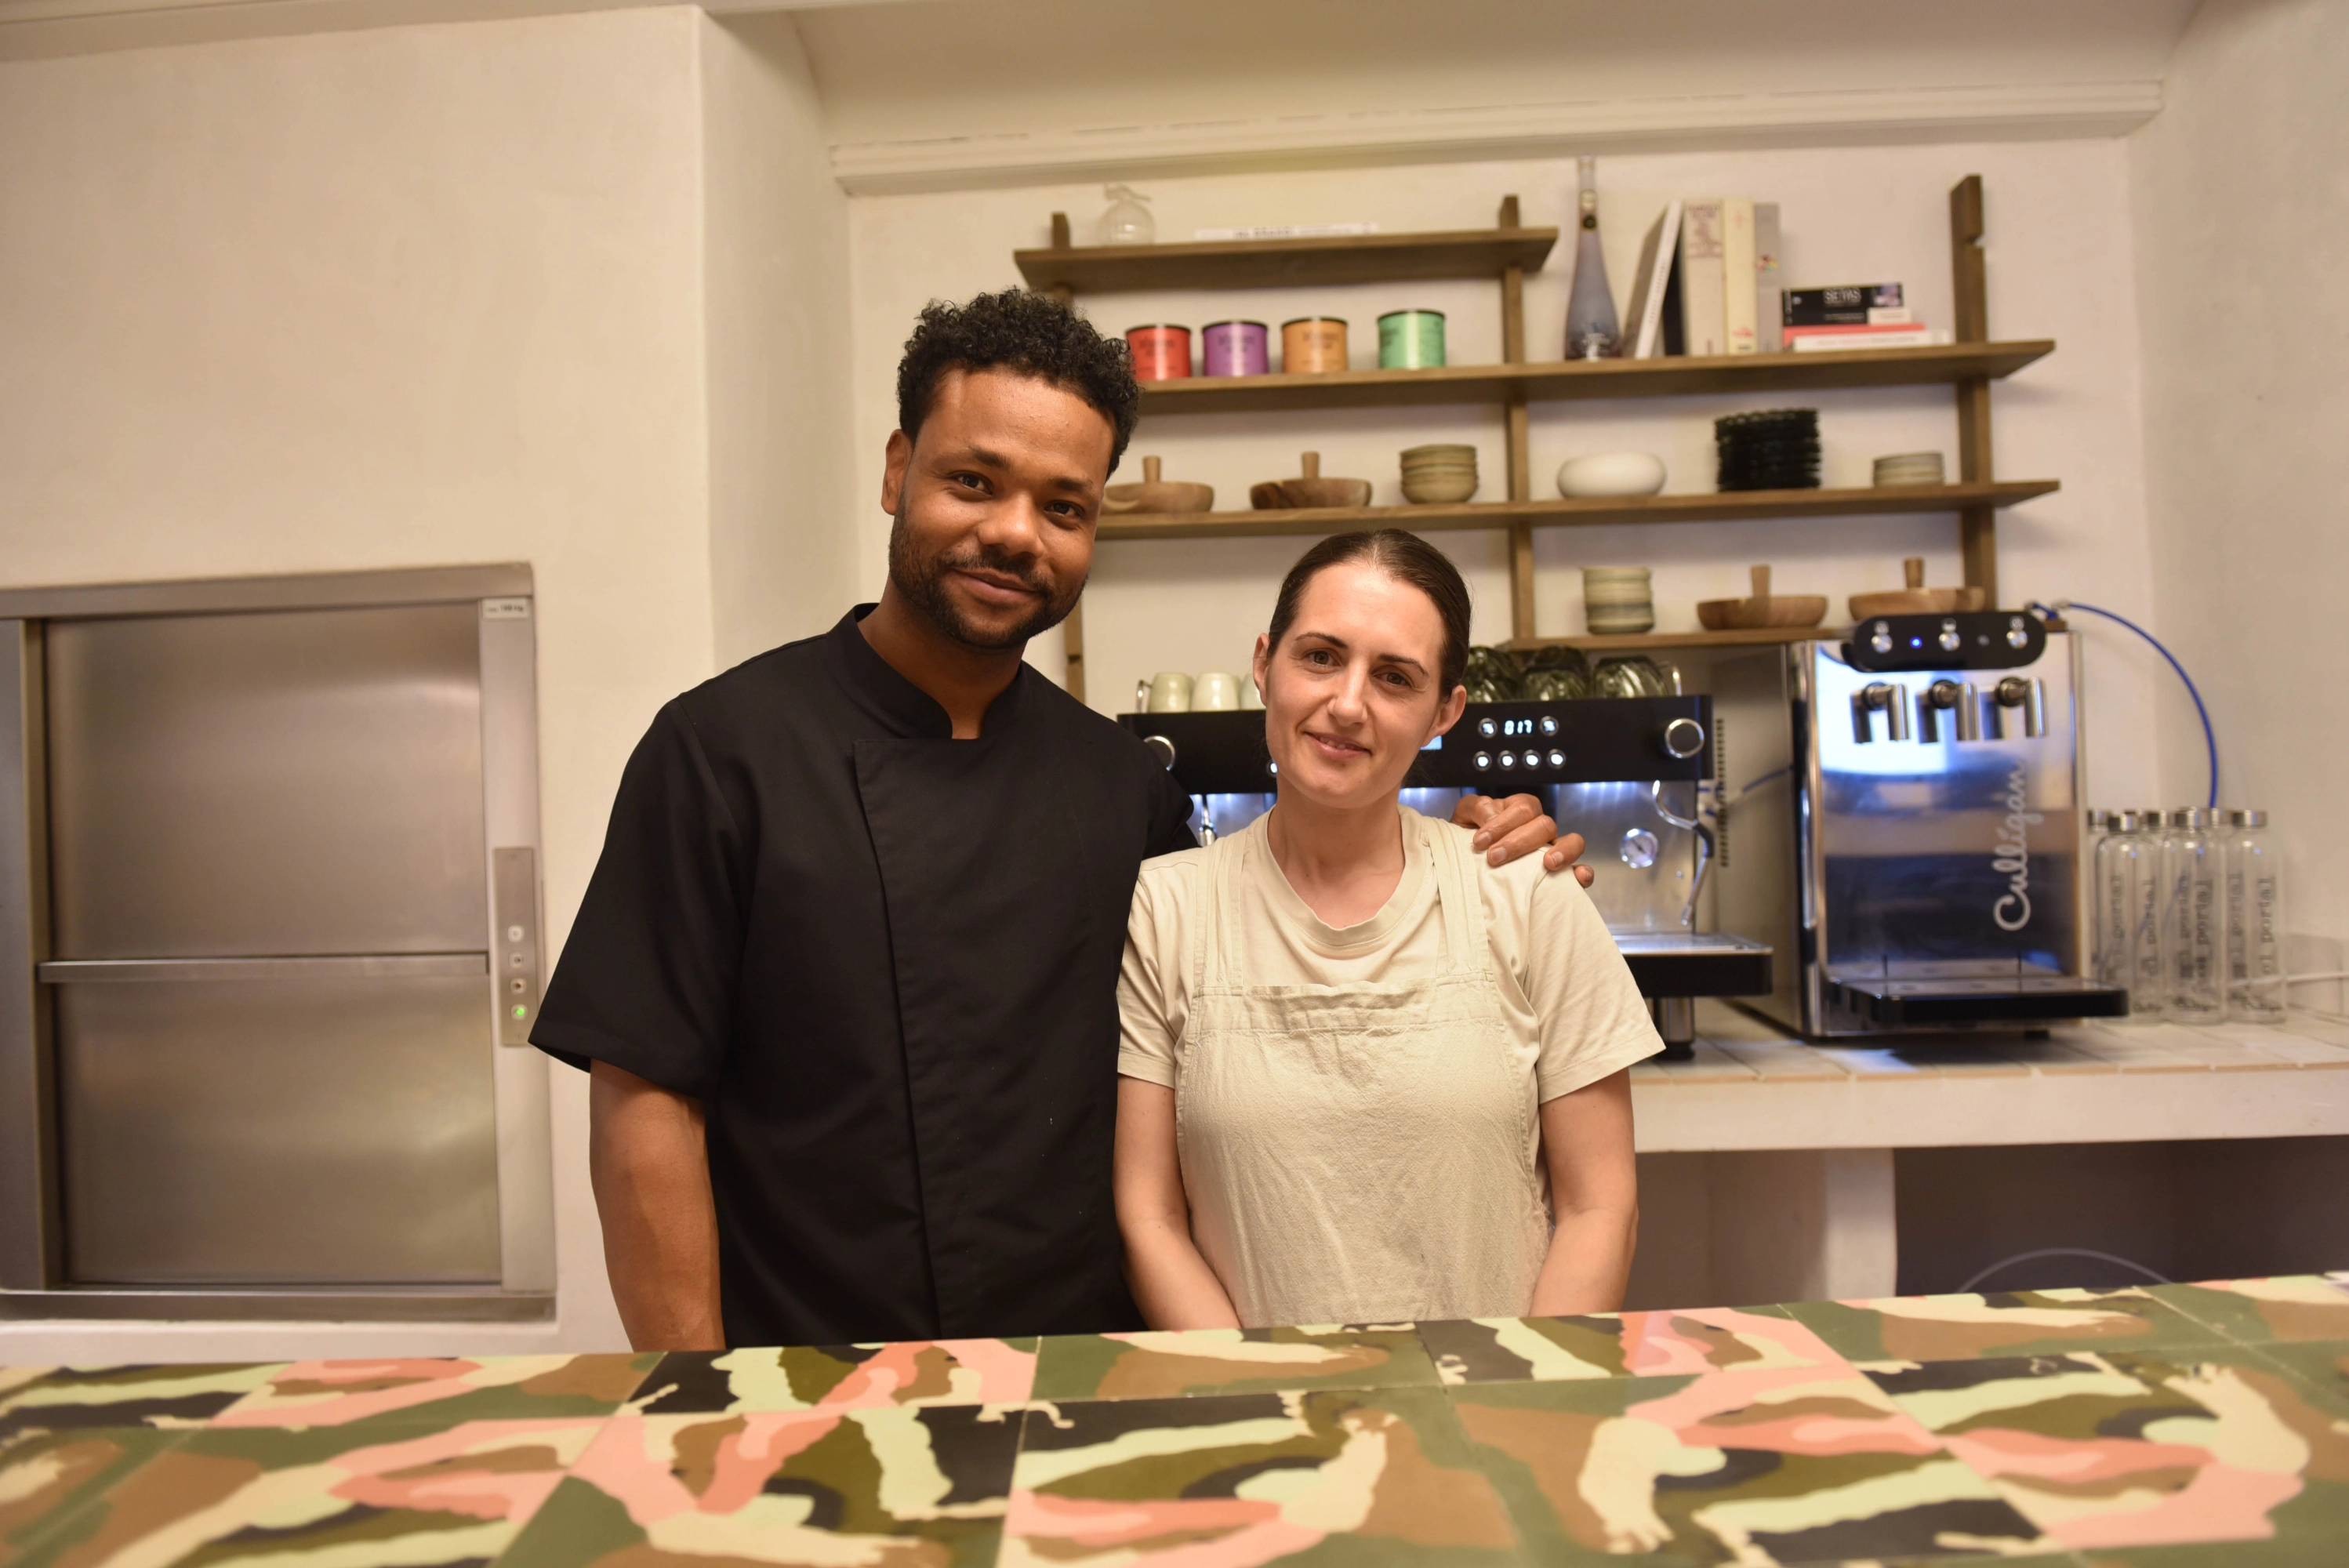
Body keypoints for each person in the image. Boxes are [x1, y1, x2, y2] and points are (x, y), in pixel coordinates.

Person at [533, 291, 1585, 1350]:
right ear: (898, 470)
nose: (1012, 534)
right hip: (808, 1374)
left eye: (1064, 506)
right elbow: (644, 1108)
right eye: (972, 482)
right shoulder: (723, 752)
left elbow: (1253, 996)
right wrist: (699, 1395)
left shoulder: (1118, 782)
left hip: (1092, 1380)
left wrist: (1487, 855)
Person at [1115, 529, 1661, 1330]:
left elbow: (1599, 1207)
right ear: (1264, 663)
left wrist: (1533, 1393)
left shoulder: (1527, 893)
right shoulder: (1166, 909)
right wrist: (1251, 1395)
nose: (1346, 702)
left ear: (1444, 710)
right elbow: (1149, 1216)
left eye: (1394, 677)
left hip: (1494, 1417)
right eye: (1320, 656)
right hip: (1256, 1413)